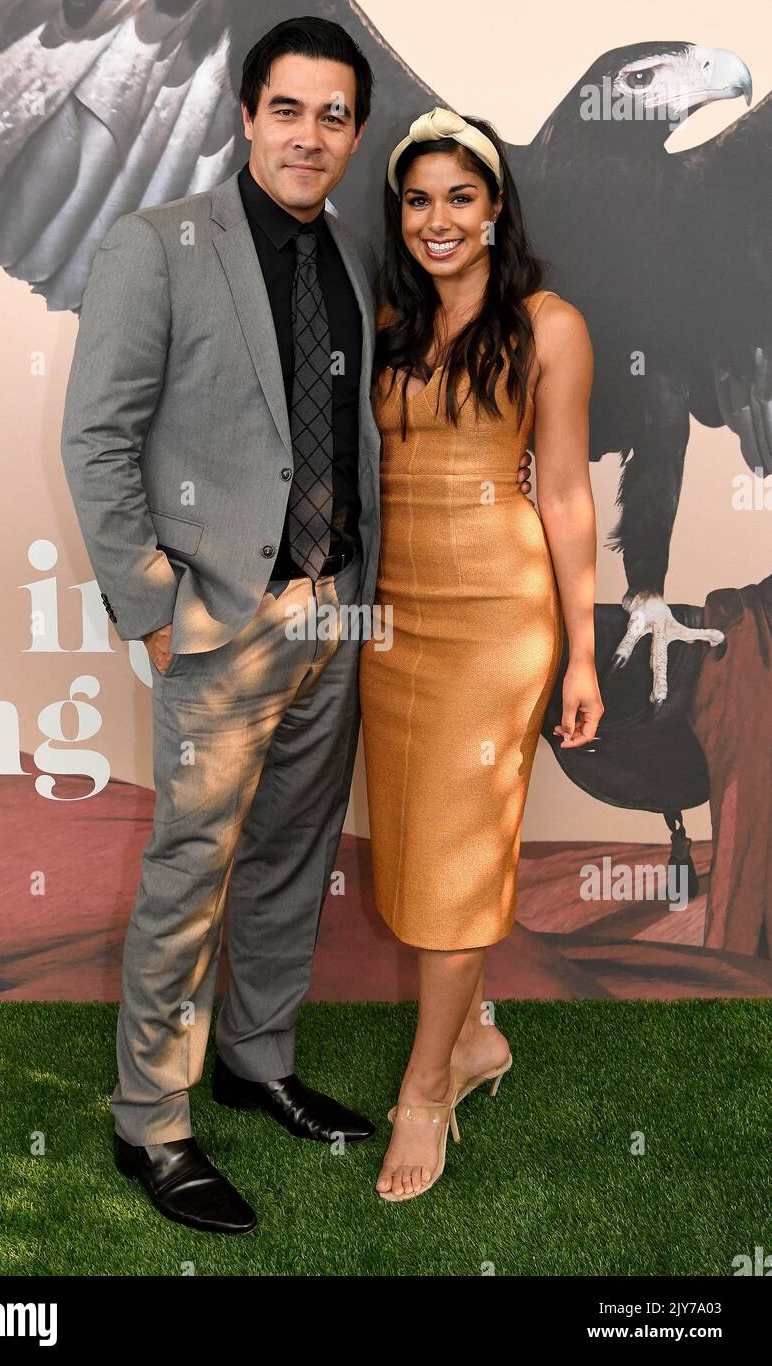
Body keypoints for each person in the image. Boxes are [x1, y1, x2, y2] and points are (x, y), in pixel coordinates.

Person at [62, 19, 532, 1236]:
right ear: (244, 114)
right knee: (190, 877)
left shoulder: (350, 259)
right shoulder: (158, 245)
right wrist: (152, 610)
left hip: (337, 613)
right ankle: (150, 1123)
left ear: (354, 132)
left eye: (333, 116)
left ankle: (254, 1060)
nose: (308, 135)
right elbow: (99, 437)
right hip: (219, 625)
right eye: (287, 109)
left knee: (285, 859)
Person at [358, 107, 604, 1202]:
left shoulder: (549, 325)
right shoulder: (385, 325)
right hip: (391, 627)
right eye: (417, 199)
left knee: (458, 859)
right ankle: (471, 1037)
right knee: (416, 851)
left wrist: (584, 654)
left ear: (496, 208)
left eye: (460, 196)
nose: (437, 219)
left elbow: (561, 493)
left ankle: (425, 1085)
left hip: (498, 628)